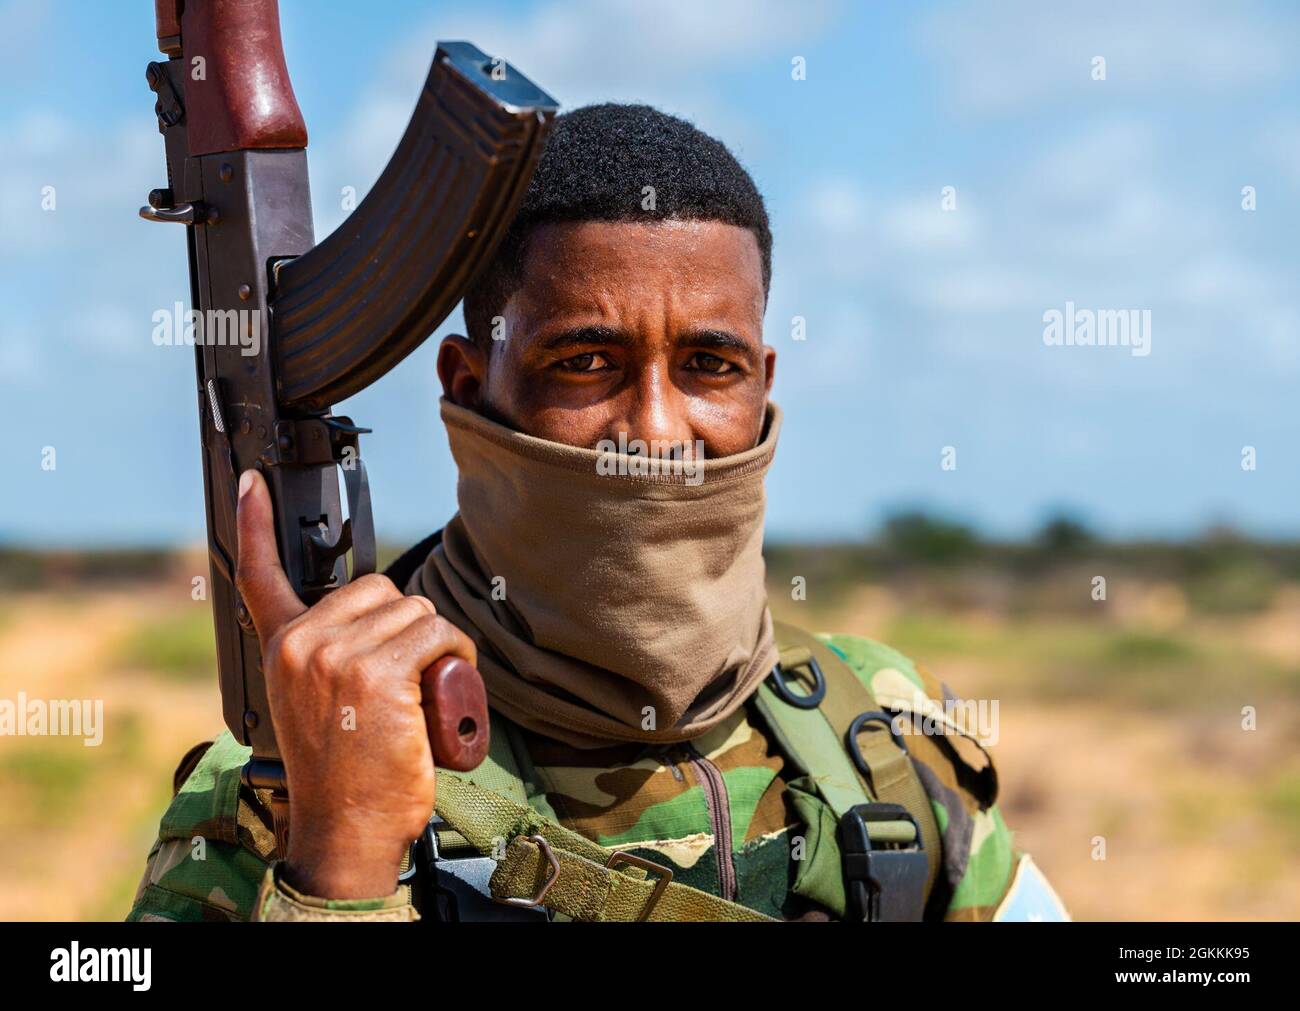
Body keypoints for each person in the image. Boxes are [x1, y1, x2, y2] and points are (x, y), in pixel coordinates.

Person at [128, 103, 1068, 923]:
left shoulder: (878, 733)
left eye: (709, 366)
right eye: (584, 363)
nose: (655, 432)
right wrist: (341, 863)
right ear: (467, 383)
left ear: (762, 385)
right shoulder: (295, 770)